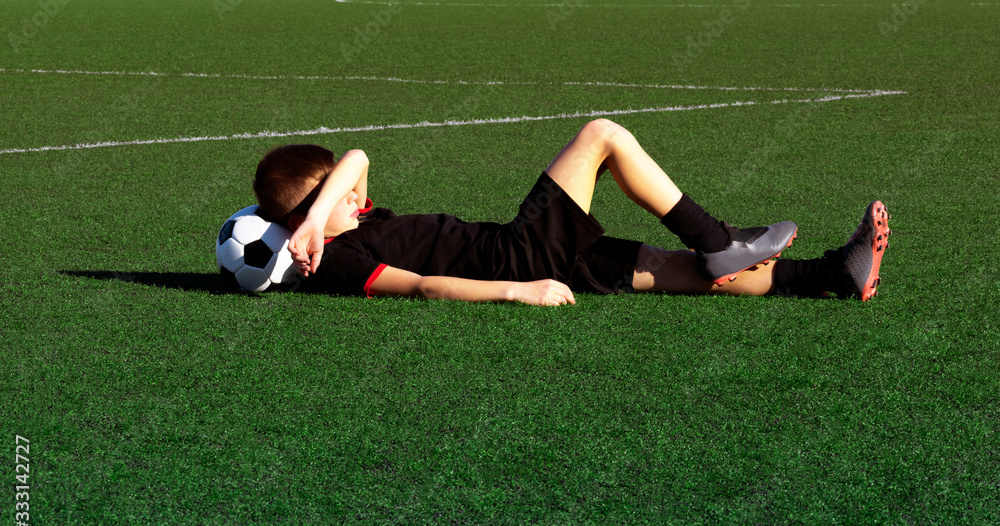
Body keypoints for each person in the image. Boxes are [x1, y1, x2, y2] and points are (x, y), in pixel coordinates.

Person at [251, 119, 890, 306]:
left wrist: (317, 213)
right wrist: (517, 291)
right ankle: (717, 237)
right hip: (515, 258)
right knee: (601, 136)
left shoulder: (344, 220)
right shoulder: (336, 259)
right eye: (335, 198)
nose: (354, 197)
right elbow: (423, 286)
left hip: (522, 251)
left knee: (667, 267)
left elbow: (357, 156)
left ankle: (833, 274)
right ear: (306, 216)